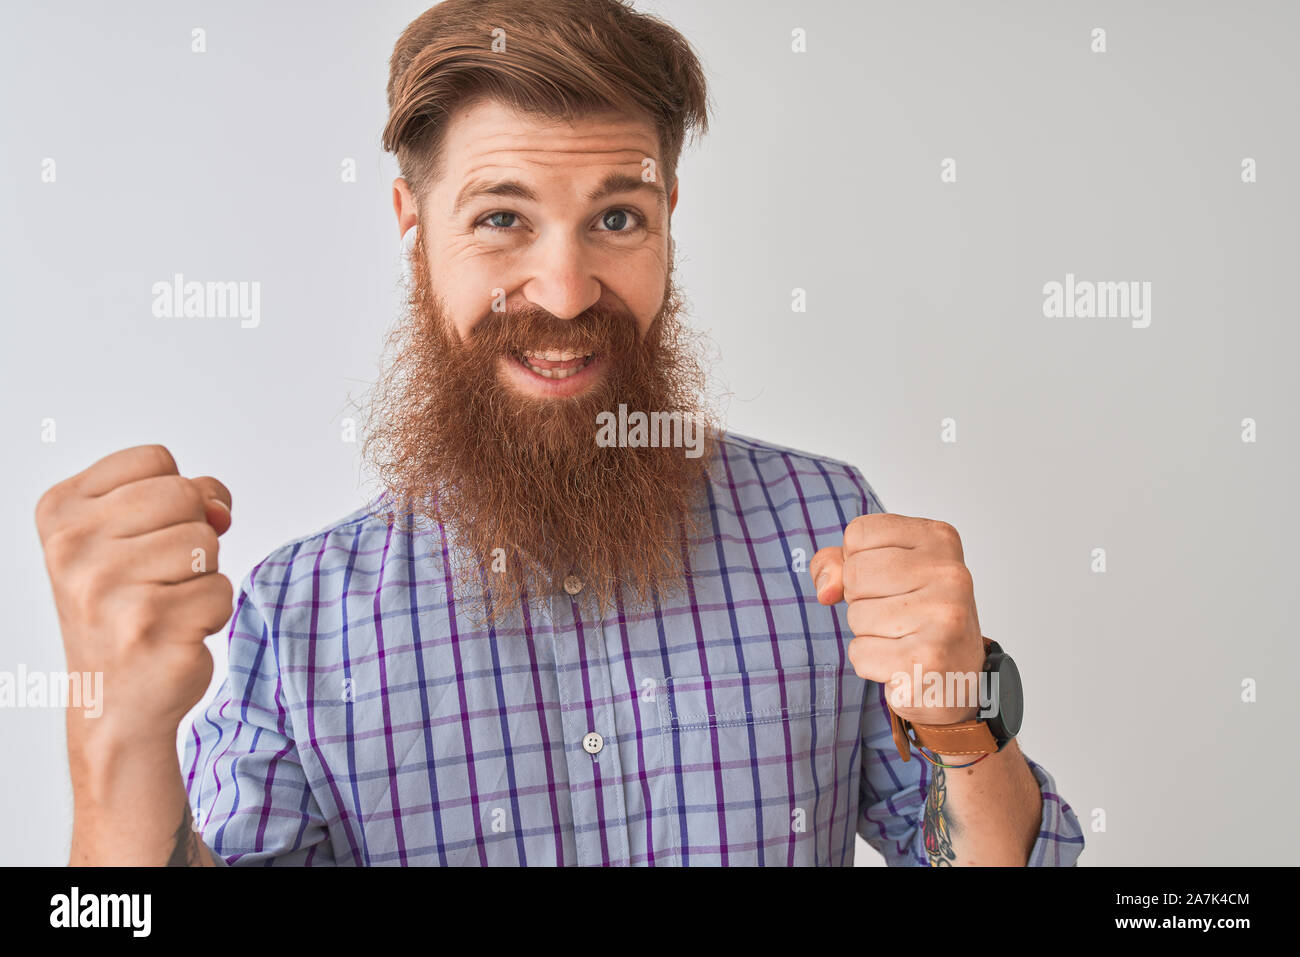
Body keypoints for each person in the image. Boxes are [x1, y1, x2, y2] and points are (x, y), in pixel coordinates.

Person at [37, 0, 1083, 866]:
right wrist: (115, 742)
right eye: (501, 218)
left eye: (616, 218)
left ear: (668, 213)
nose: (566, 288)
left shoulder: (825, 526)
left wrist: (961, 721)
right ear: (415, 228)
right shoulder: (297, 620)